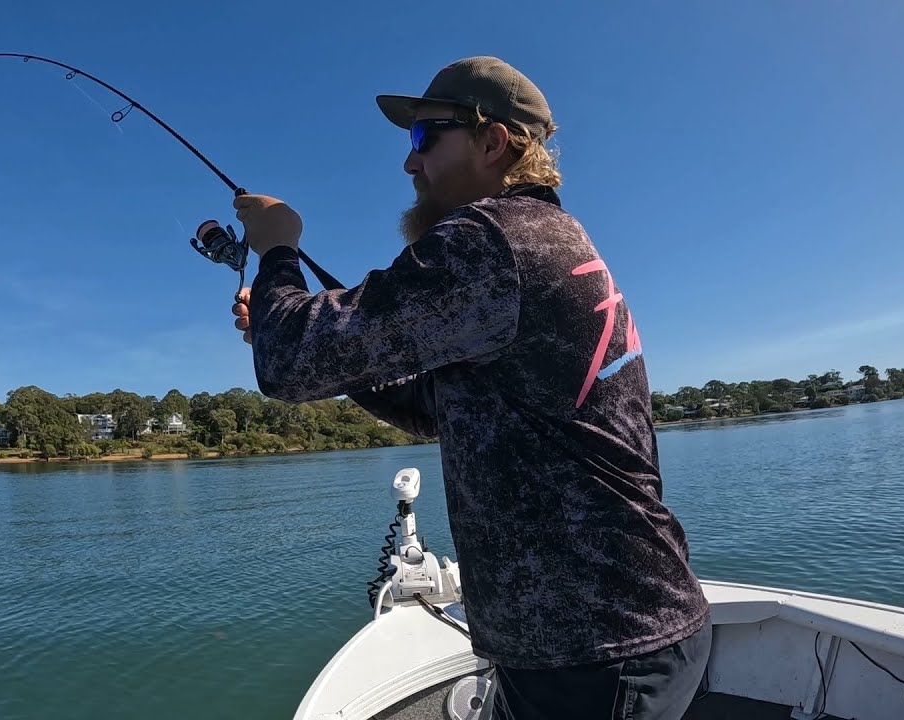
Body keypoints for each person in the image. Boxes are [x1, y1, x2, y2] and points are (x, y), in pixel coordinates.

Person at [229, 56, 712, 720]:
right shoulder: (543, 242)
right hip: (606, 636)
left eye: (425, 137)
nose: (410, 163)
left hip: (595, 650)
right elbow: (432, 407)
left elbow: (288, 365)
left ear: (494, 142)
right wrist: (311, 346)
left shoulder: (491, 239)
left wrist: (278, 250)